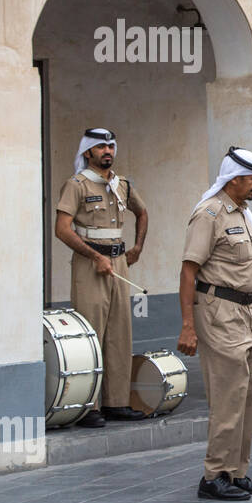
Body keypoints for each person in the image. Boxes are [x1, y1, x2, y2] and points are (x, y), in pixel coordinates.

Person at [180, 147, 252, 501]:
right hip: (219, 312)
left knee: (249, 394)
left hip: (247, 312)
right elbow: (189, 271)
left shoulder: (243, 213)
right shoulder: (210, 213)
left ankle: (236, 471)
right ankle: (214, 474)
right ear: (233, 179)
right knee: (228, 394)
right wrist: (188, 325)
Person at [54, 128, 150, 427]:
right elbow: (62, 229)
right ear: (87, 152)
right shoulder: (76, 185)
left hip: (118, 263)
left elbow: (142, 213)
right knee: (91, 333)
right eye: (100, 147)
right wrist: (95, 256)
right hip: (90, 264)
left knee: (120, 333)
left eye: (110, 147)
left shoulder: (123, 185)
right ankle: (89, 406)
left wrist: (137, 248)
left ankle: (116, 402)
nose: (107, 151)